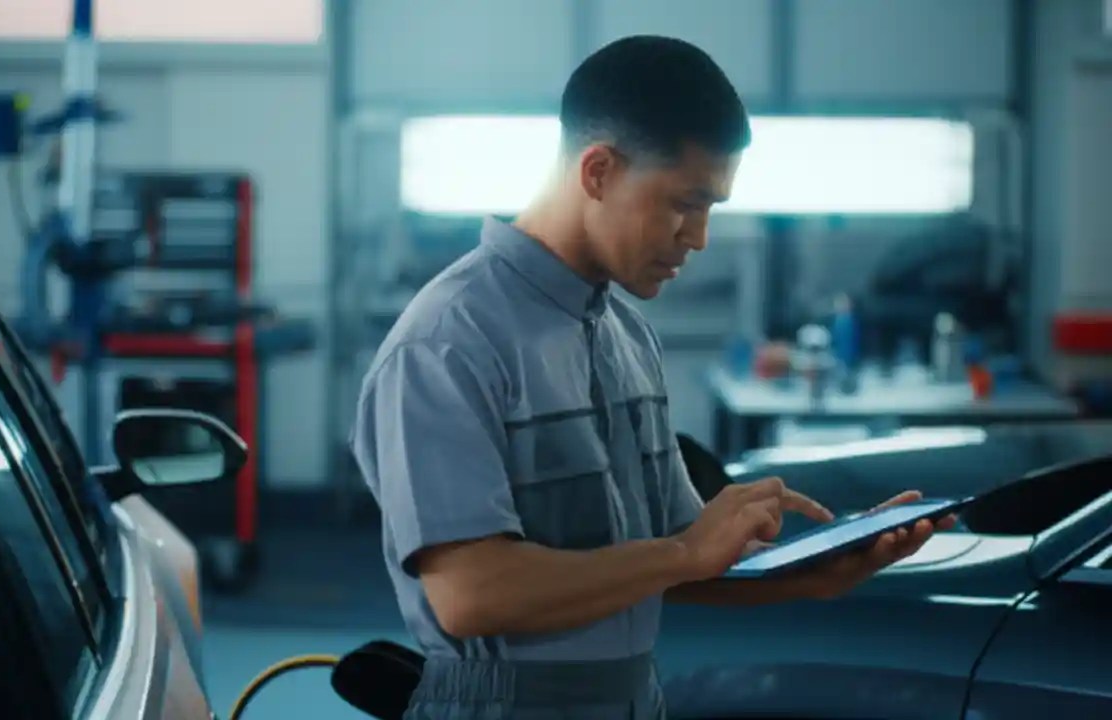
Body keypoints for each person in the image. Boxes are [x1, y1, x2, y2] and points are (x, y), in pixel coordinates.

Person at [351, 35, 954, 719]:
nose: (697, 237)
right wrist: (684, 550)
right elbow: (471, 595)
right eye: (683, 203)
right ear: (599, 171)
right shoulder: (448, 341)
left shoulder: (627, 334)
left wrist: (809, 575)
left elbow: (669, 566)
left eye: (710, 209)